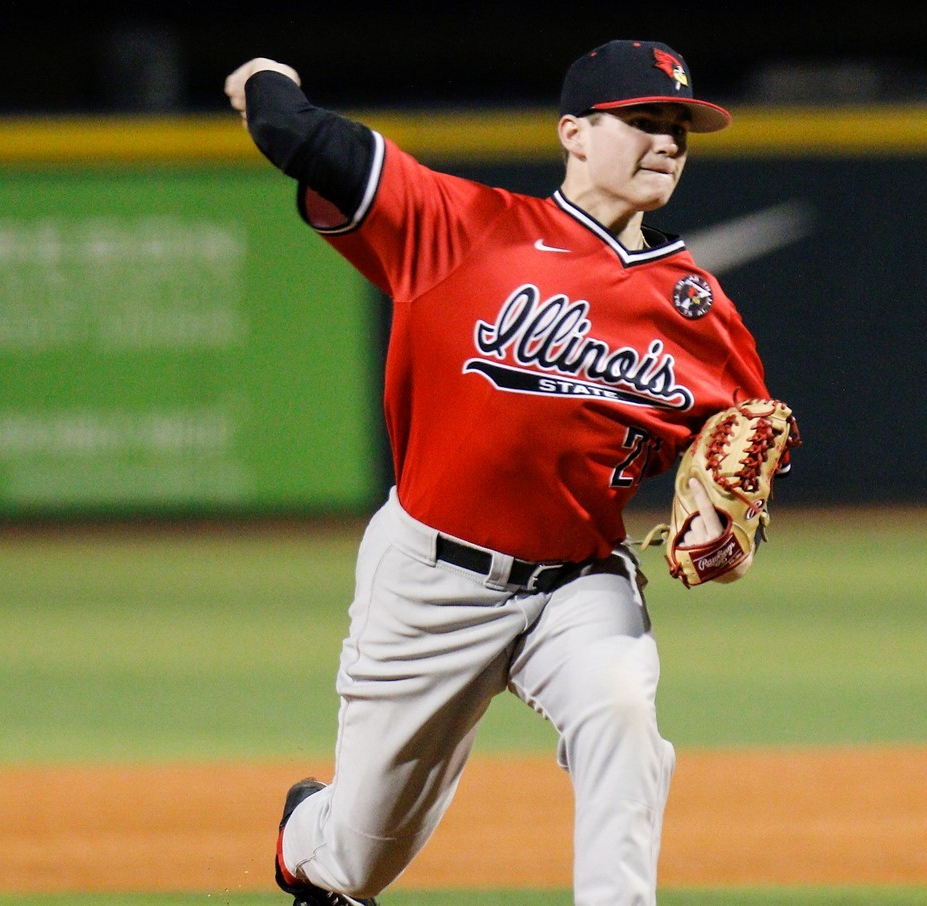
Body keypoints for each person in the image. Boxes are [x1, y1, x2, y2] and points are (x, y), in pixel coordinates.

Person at [225, 38, 780, 906]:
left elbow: (737, 431)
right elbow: (299, 137)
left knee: (622, 715)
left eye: (679, 126)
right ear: (574, 134)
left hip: (579, 580)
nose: (667, 141)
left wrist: (716, 513)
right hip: (429, 579)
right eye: (643, 120)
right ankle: (308, 840)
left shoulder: (695, 306)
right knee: (357, 864)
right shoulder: (459, 225)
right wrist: (264, 81)